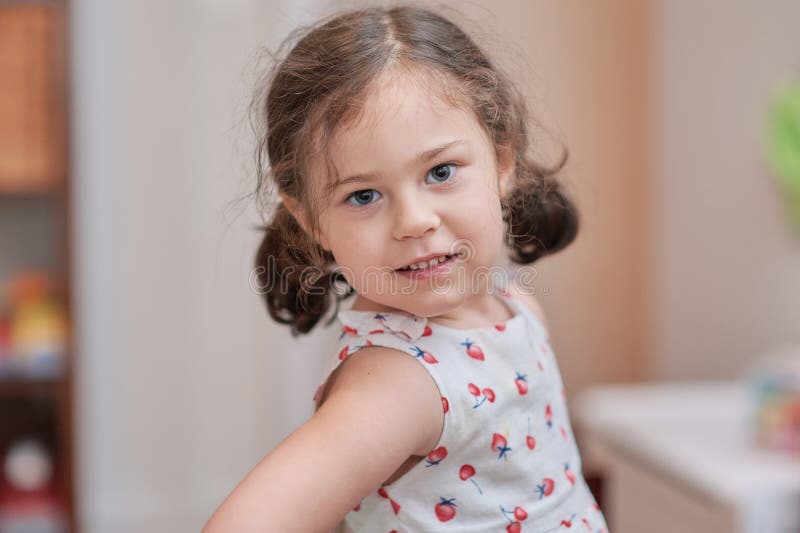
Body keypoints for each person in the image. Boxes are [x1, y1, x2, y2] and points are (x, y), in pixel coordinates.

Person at [205, 4, 608, 532]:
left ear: (502, 159)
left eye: (441, 171)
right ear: (310, 218)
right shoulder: (399, 383)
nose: (414, 221)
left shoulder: (514, 303)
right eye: (364, 195)